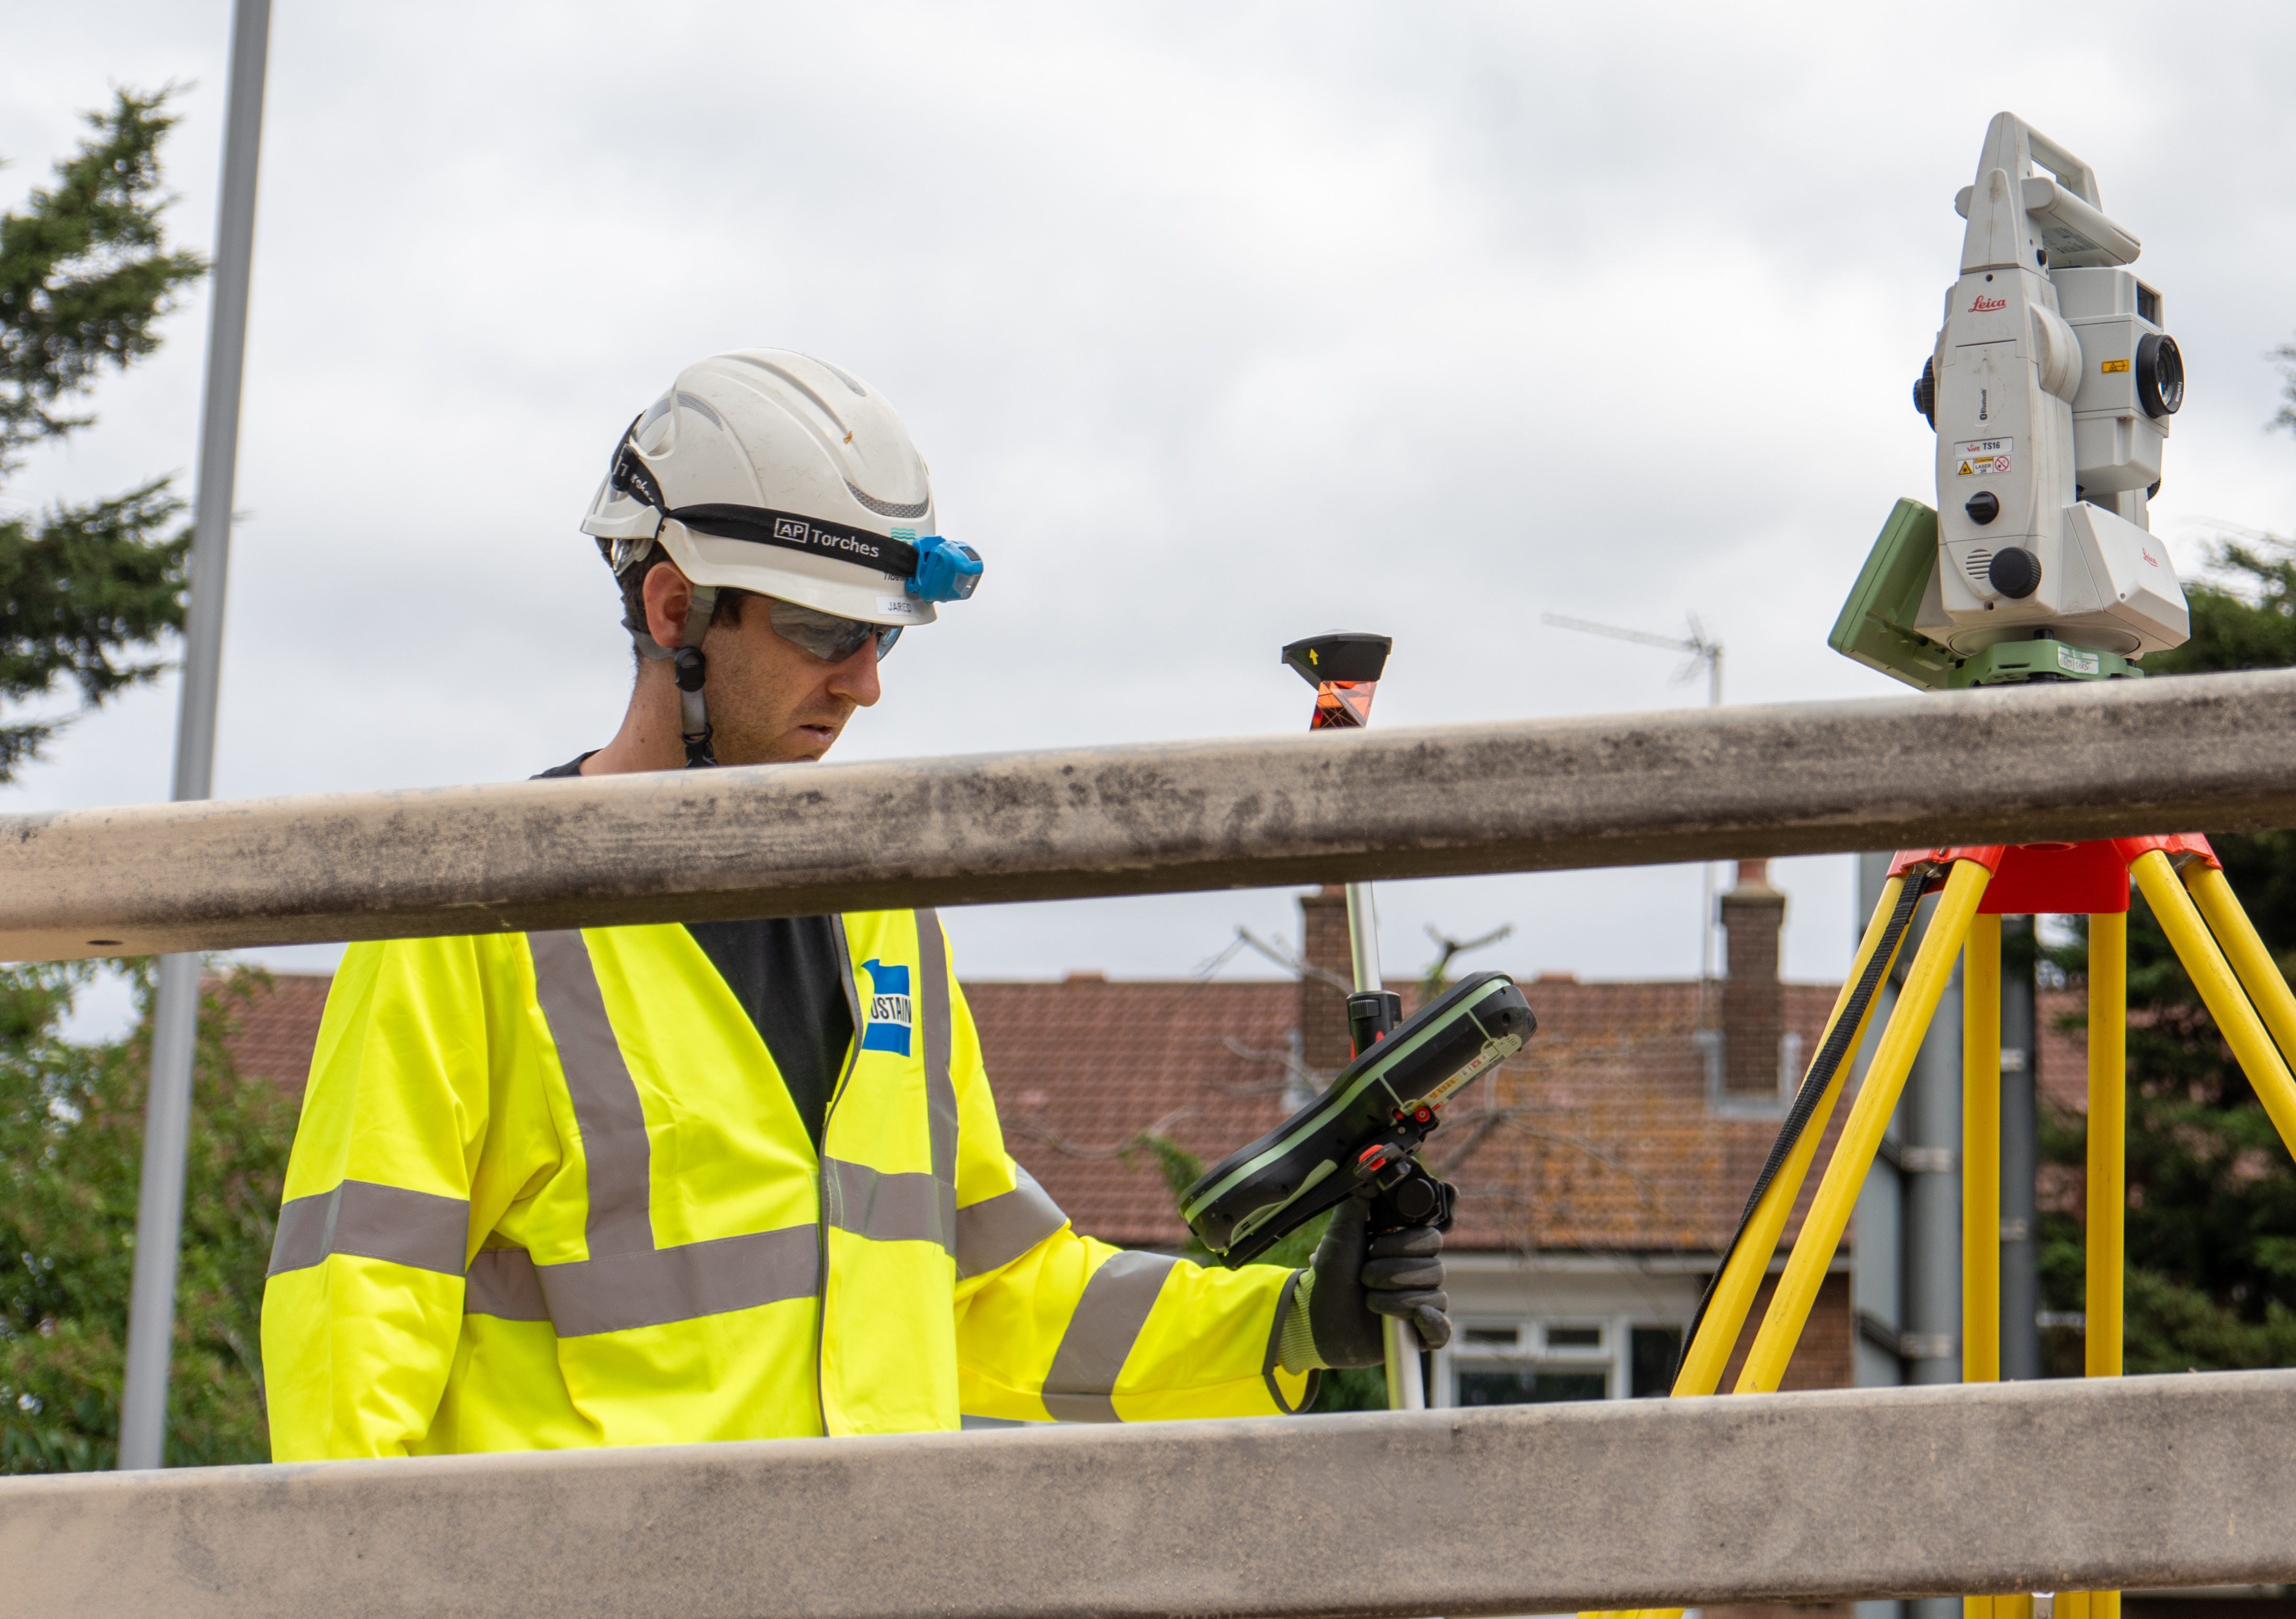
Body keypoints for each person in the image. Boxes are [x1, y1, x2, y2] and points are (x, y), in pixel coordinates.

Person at [262, 348, 1445, 1456]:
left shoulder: (887, 921)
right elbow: (348, 1356)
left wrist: (1289, 1324)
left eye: (880, 635)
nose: (866, 683)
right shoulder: (465, 923)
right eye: (826, 630)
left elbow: (988, 1292)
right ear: (674, 609)